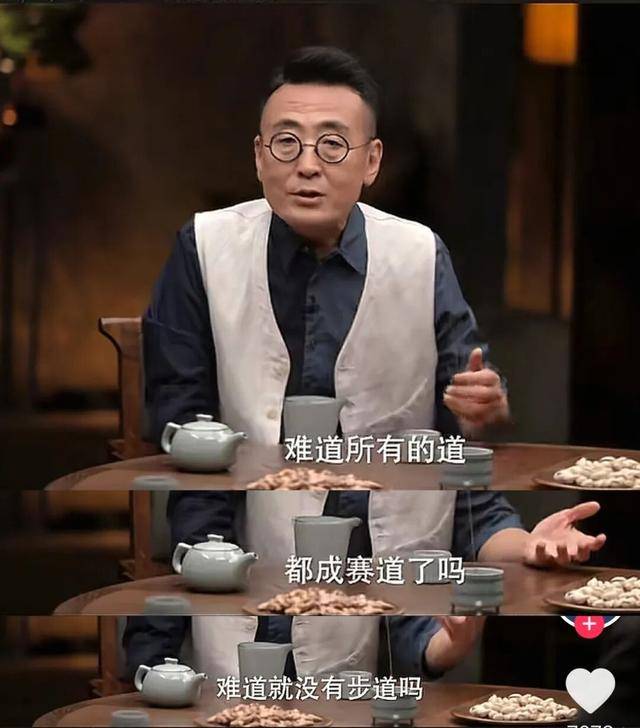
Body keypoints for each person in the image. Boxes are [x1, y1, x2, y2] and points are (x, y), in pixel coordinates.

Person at [131, 46, 606, 684]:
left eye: (332, 145)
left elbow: (452, 468)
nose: (306, 166)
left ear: (372, 161)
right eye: (286, 143)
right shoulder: (205, 249)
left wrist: (527, 546)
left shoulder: (418, 257)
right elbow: (186, 444)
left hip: (384, 597)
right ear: (258, 156)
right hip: (242, 580)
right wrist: (211, 577)